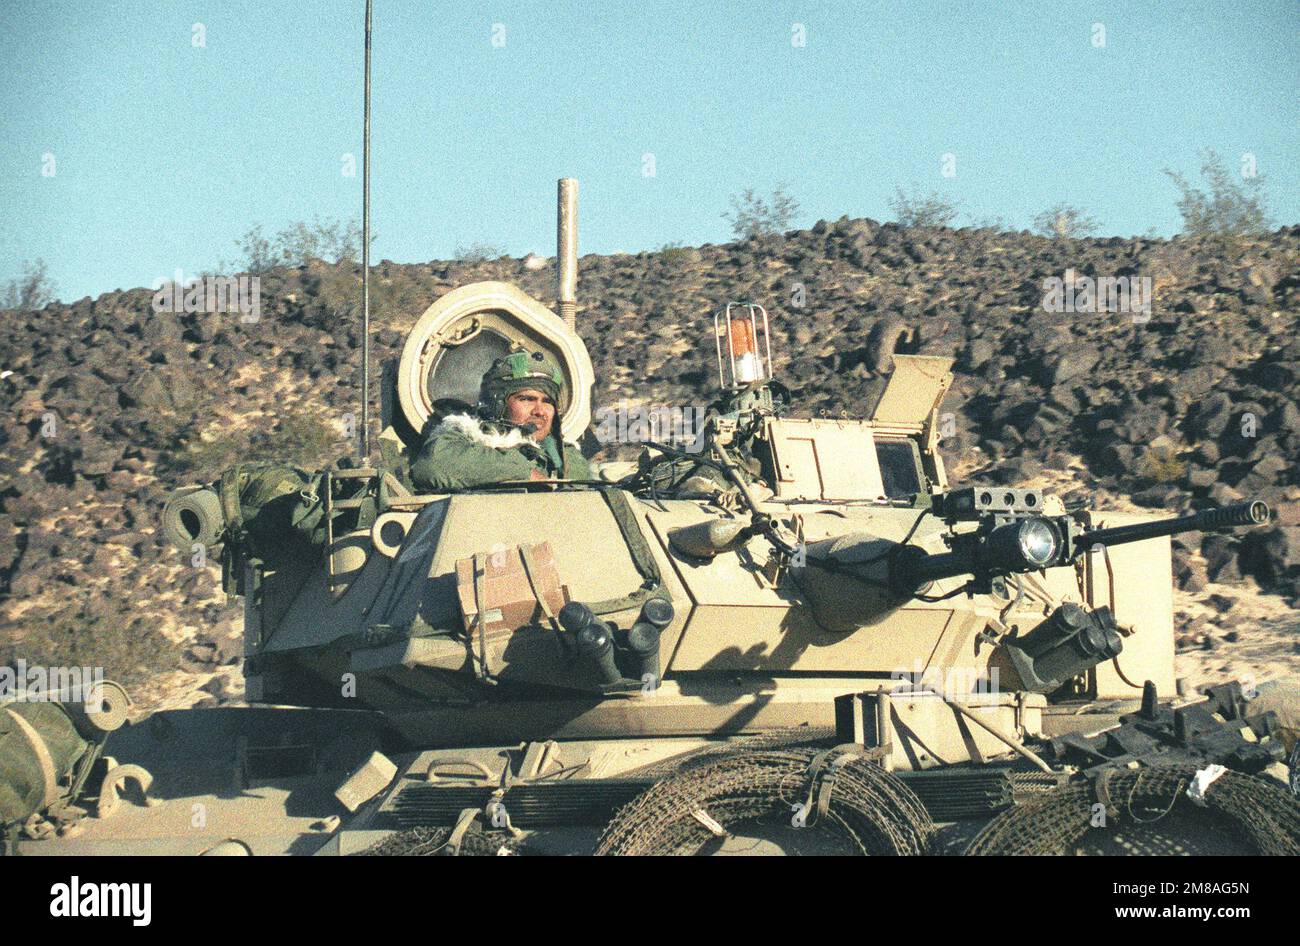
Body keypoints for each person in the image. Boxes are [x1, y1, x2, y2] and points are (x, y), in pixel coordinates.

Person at [410, 350, 591, 491]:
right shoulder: (465, 438)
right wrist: (525, 474)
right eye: (527, 399)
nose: (540, 411)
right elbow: (434, 464)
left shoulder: (566, 457)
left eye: (547, 402)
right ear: (499, 404)